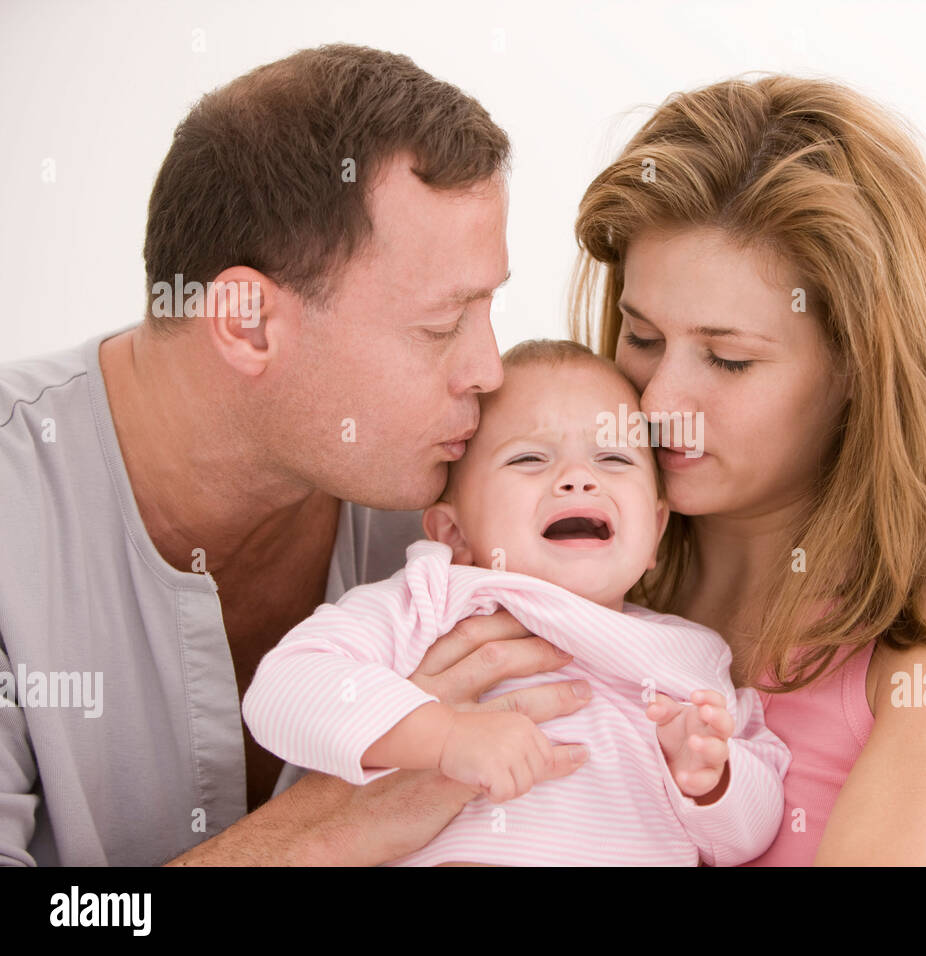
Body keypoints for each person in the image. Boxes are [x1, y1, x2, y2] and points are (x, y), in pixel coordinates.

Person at [0, 44, 591, 866]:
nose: (487, 370)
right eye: (438, 325)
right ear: (248, 324)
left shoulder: (467, 494)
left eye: (488, 308)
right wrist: (324, 832)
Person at [567, 75, 926, 864]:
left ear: (859, 368)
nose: (660, 402)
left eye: (729, 360)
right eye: (643, 337)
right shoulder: (589, 571)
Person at [243, 339, 791, 866]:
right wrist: (442, 736)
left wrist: (712, 778)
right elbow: (282, 690)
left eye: (613, 458)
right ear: (453, 533)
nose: (578, 480)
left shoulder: (690, 656)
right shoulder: (435, 597)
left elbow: (747, 840)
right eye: (530, 458)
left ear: (655, 528)